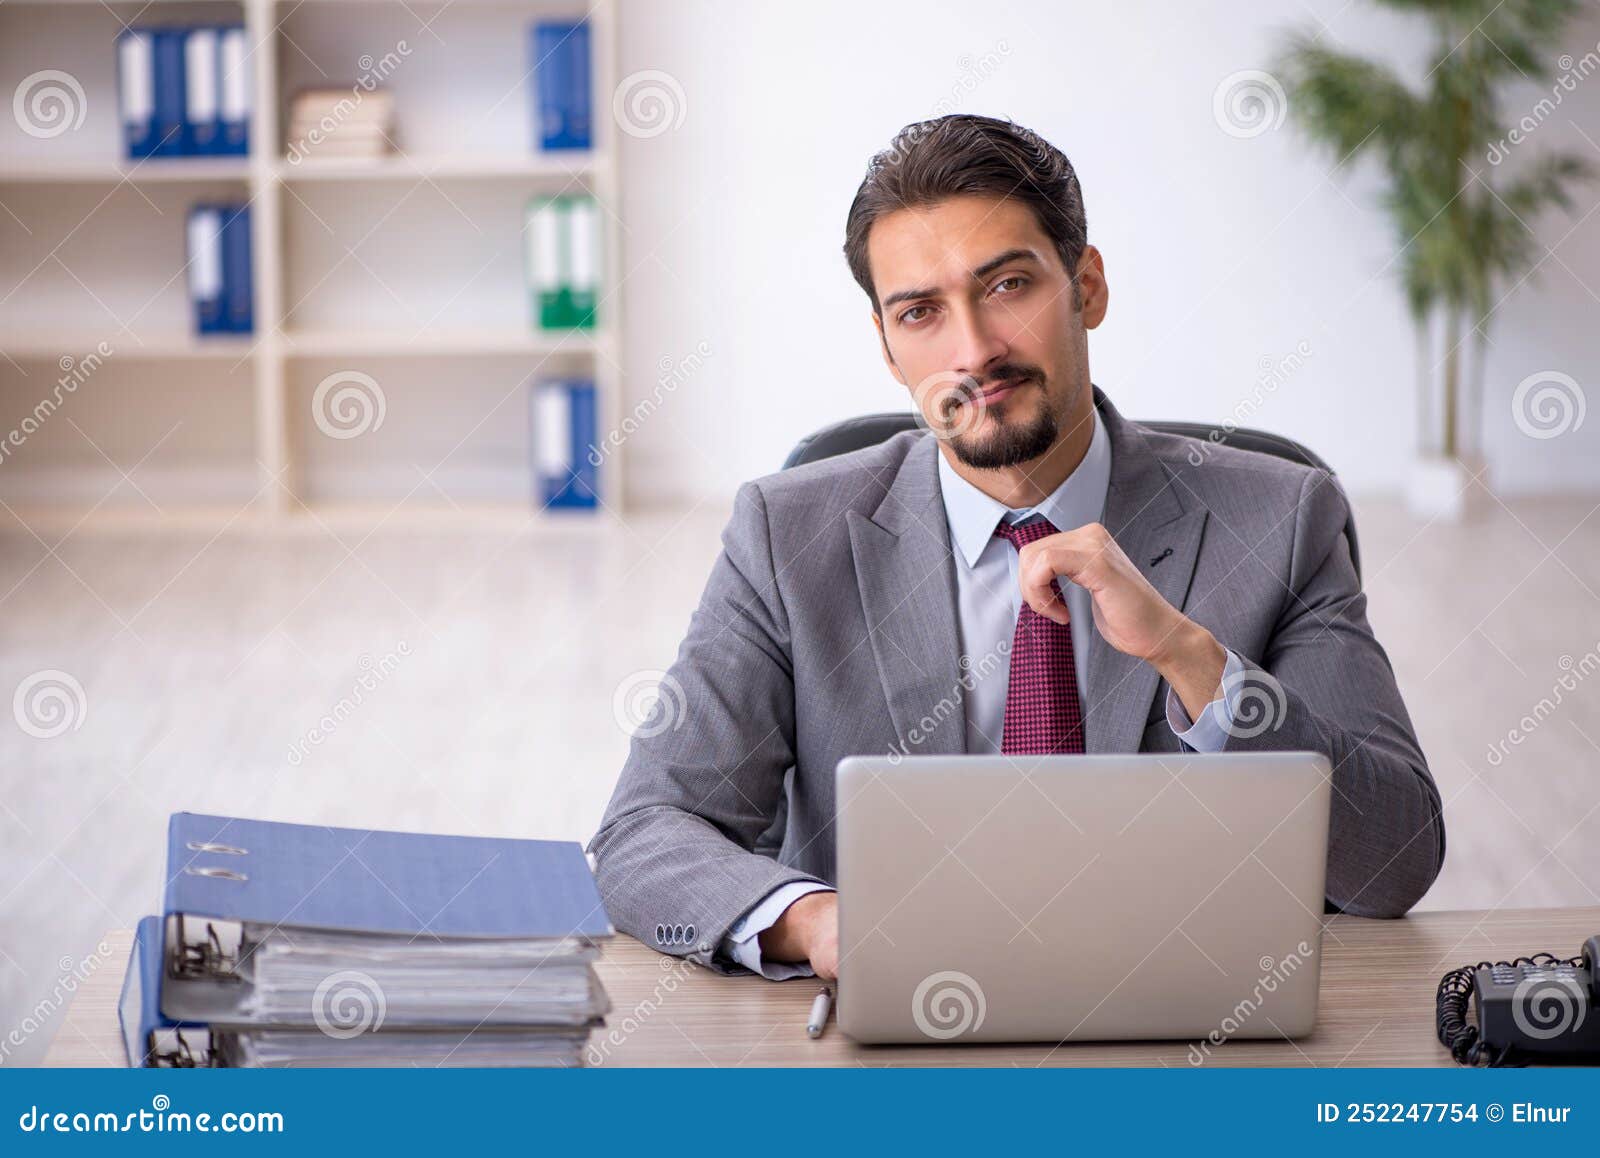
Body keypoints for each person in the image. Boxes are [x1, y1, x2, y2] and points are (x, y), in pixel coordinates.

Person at [590, 114, 1445, 981]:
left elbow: (1394, 859)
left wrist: (1192, 659)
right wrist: (819, 924)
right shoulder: (787, 536)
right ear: (888, 348)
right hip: (902, 1033)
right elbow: (644, 832)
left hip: (1186, 1027)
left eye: (1006, 286)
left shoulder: (1281, 518)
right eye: (921, 312)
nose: (973, 352)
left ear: (1088, 286)